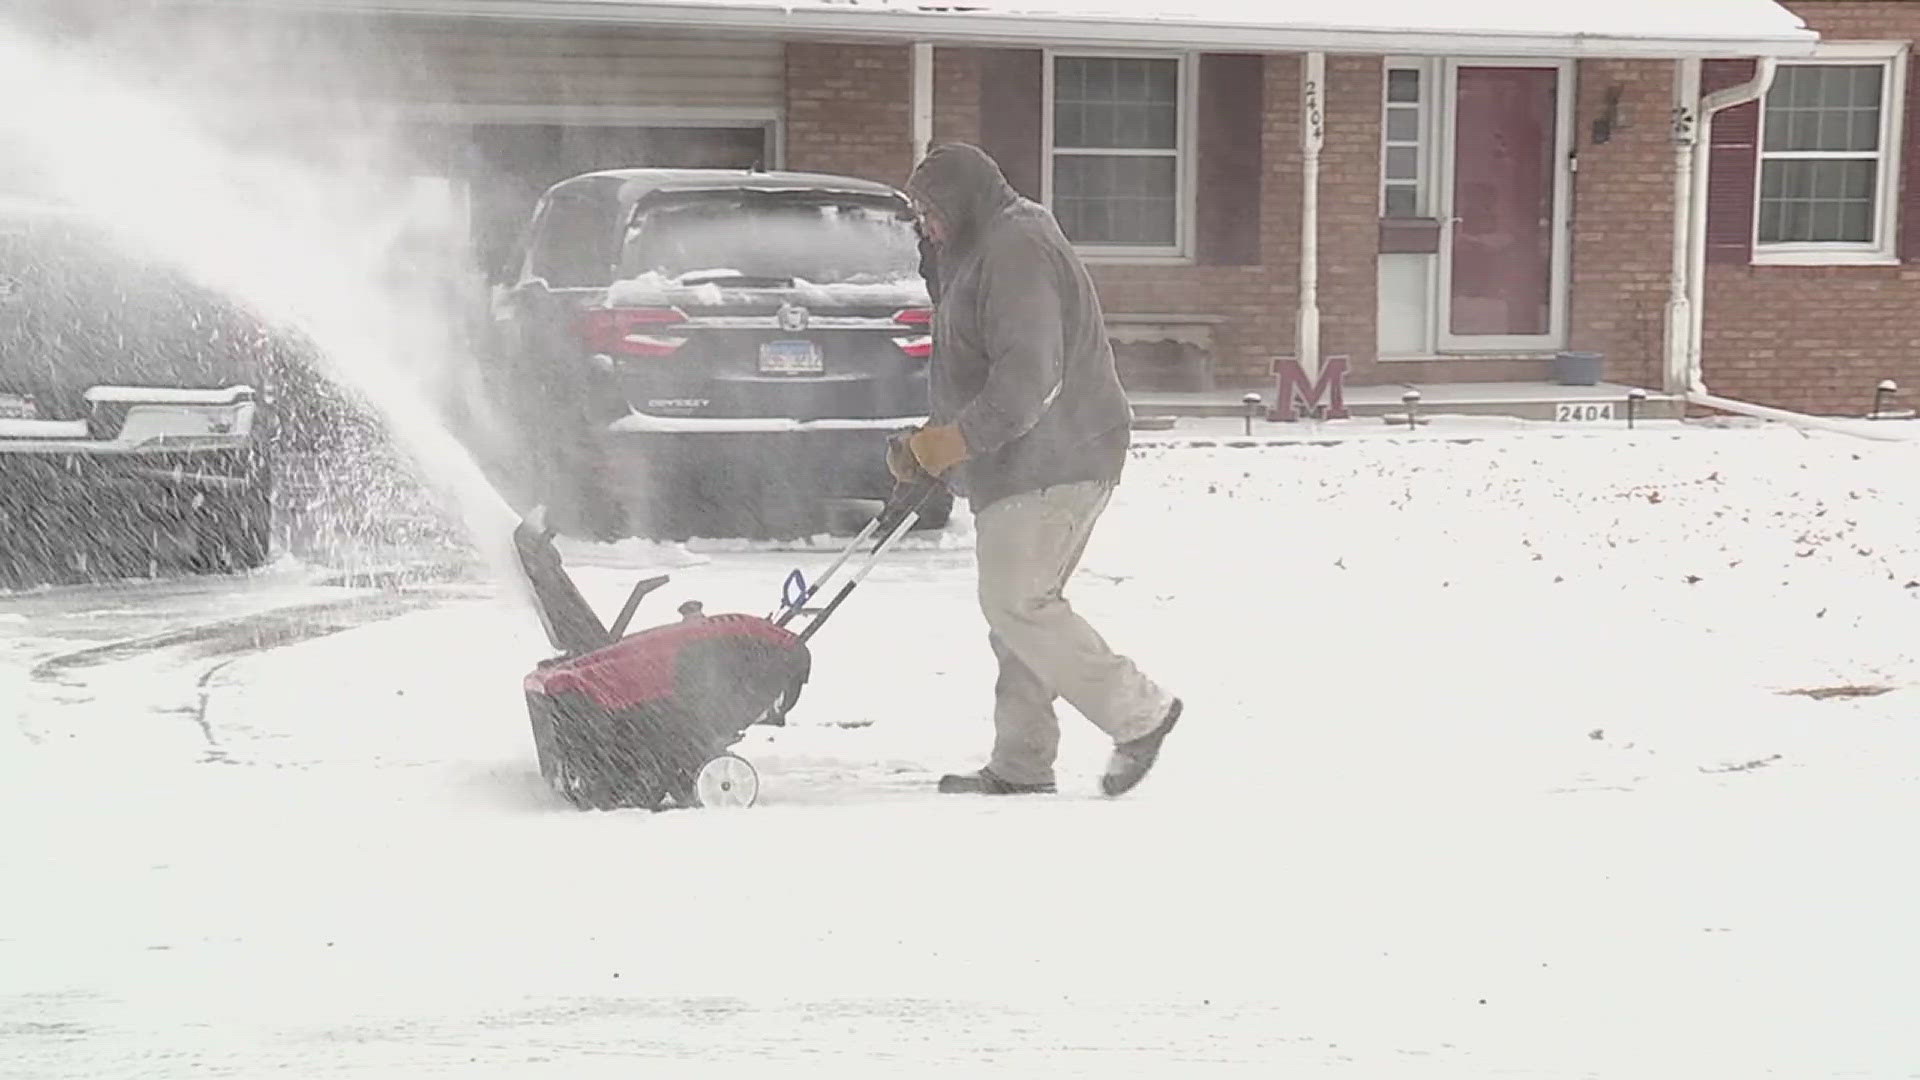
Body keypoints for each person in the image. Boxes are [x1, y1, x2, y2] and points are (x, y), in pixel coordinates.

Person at [888, 142, 1181, 798]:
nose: (925, 224)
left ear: (963, 202)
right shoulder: (975, 246)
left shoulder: (1014, 249)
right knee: (1019, 611)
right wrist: (929, 447)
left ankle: (1141, 714)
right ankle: (1022, 763)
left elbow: (1028, 377)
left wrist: (953, 441)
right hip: (1020, 457)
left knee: (1016, 599)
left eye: (930, 211)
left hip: (1059, 452)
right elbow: (973, 362)